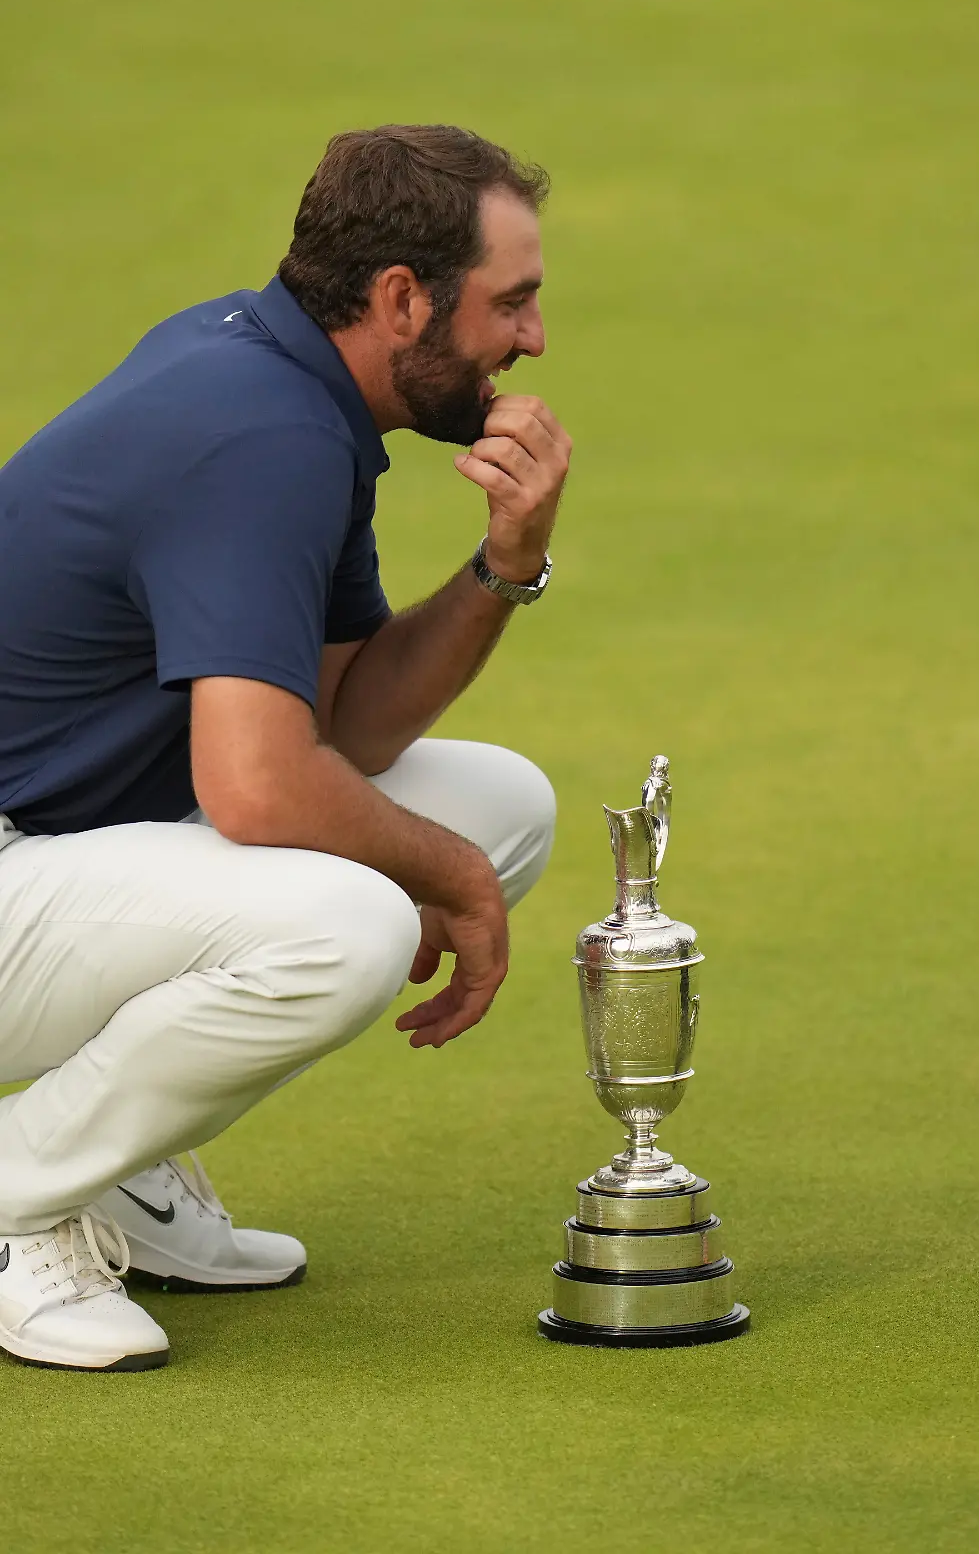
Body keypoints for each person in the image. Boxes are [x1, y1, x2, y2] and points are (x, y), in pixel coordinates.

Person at [0, 125, 570, 1371]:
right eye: (511, 302)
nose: (531, 340)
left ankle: (121, 1175)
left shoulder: (278, 379)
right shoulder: (262, 436)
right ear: (401, 298)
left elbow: (345, 725)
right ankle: (16, 1197)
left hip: (54, 844)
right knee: (348, 925)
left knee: (501, 807)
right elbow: (256, 786)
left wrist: (505, 565)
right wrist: (450, 882)